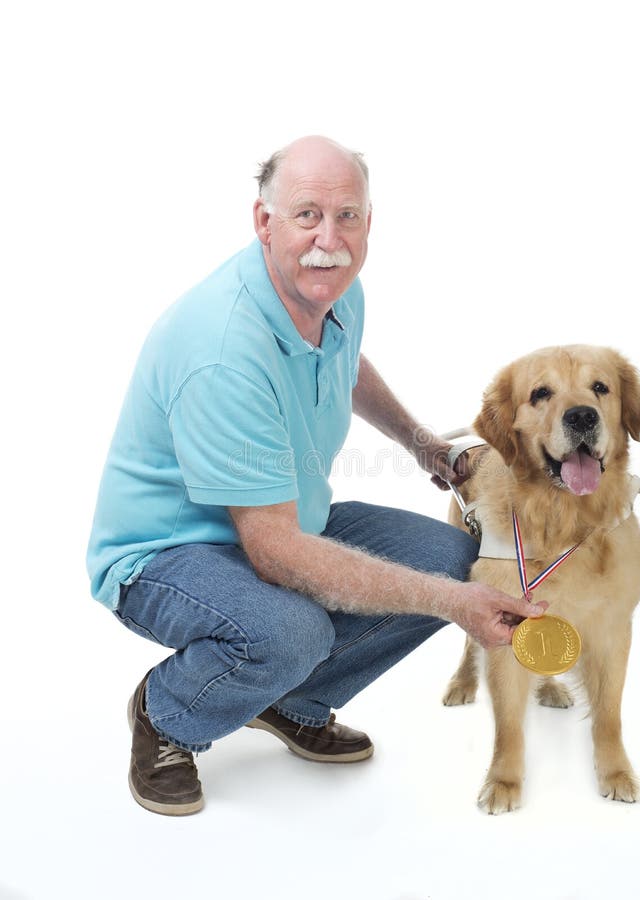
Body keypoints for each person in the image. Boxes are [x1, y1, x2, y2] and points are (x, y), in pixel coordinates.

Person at [86, 135, 545, 816]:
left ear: (367, 222)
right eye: (305, 215)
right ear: (262, 222)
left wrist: (426, 448)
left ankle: (288, 698)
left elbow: (344, 360)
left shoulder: (331, 291)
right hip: (167, 554)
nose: (327, 239)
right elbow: (274, 552)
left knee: (454, 561)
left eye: (347, 216)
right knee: (293, 629)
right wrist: (454, 609)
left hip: (282, 516)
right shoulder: (222, 350)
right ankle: (170, 713)